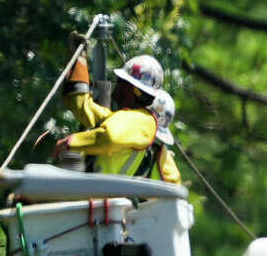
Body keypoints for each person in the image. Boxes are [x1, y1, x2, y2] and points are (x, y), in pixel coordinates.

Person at [56, 51, 182, 185]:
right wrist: (79, 62)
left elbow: (109, 137)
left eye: (120, 81)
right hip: (93, 191)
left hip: (101, 196)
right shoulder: (124, 119)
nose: (116, 85)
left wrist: (70, 143)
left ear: (131, 88)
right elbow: (86, 109)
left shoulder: (142, 121)